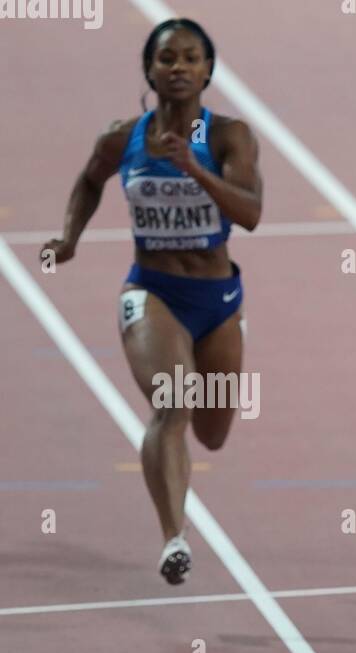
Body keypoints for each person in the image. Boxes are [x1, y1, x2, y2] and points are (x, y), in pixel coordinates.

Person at [43, 18, 263, 585]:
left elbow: (251, 213)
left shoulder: (227, 137)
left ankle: (175, 516)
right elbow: (90, 180)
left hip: (218, 298)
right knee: (173, 405)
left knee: (213, 432)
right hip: (153, 292)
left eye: (192, 58)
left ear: (208, 70)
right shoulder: (123, 138)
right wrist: (70, 238)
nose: (179, 68)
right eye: (168, 59)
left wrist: (194, 169)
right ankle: (174, 538)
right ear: (150, 70)